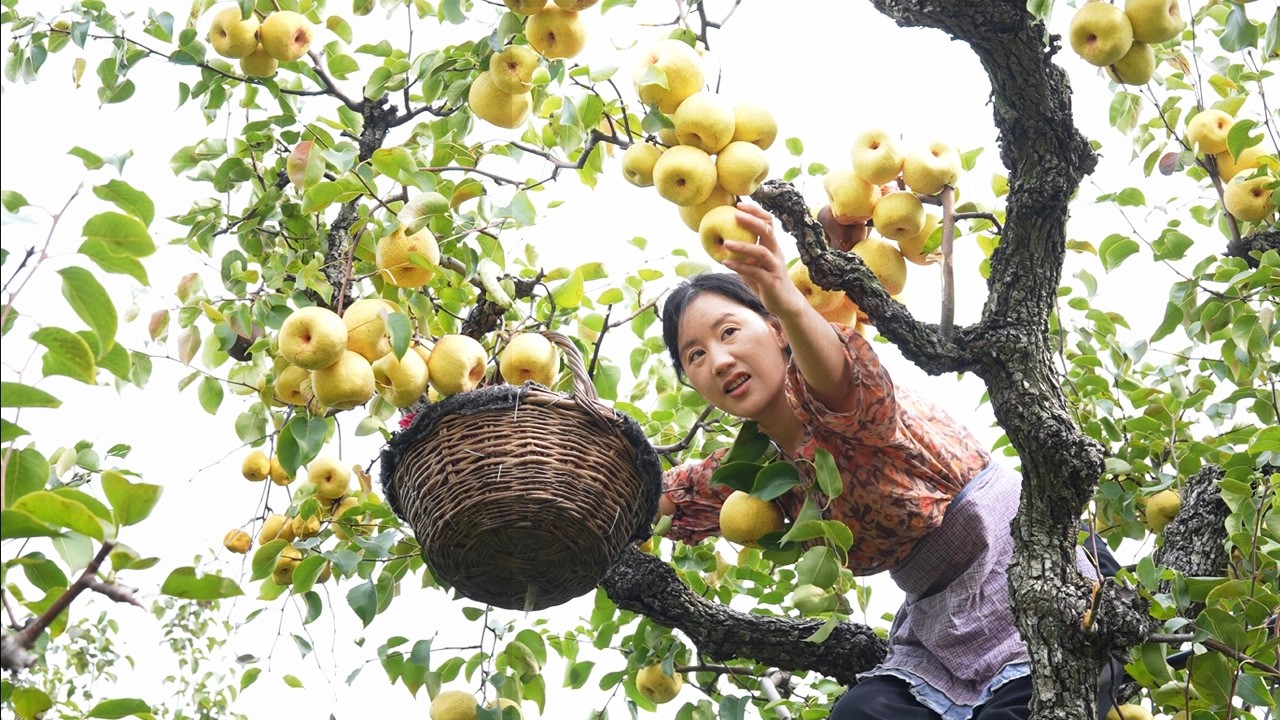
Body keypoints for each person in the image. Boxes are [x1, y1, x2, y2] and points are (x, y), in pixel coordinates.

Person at [657, 203, 1114, 720]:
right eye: (694, 355)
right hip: (941, 626)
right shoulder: (754, 476)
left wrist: (786, 296)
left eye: (729, 332)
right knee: (860, 714)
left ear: (775, 329)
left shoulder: (830, 393)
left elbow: (835, 379)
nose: (718, 360)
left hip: (1029, 568)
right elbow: (652, 498)